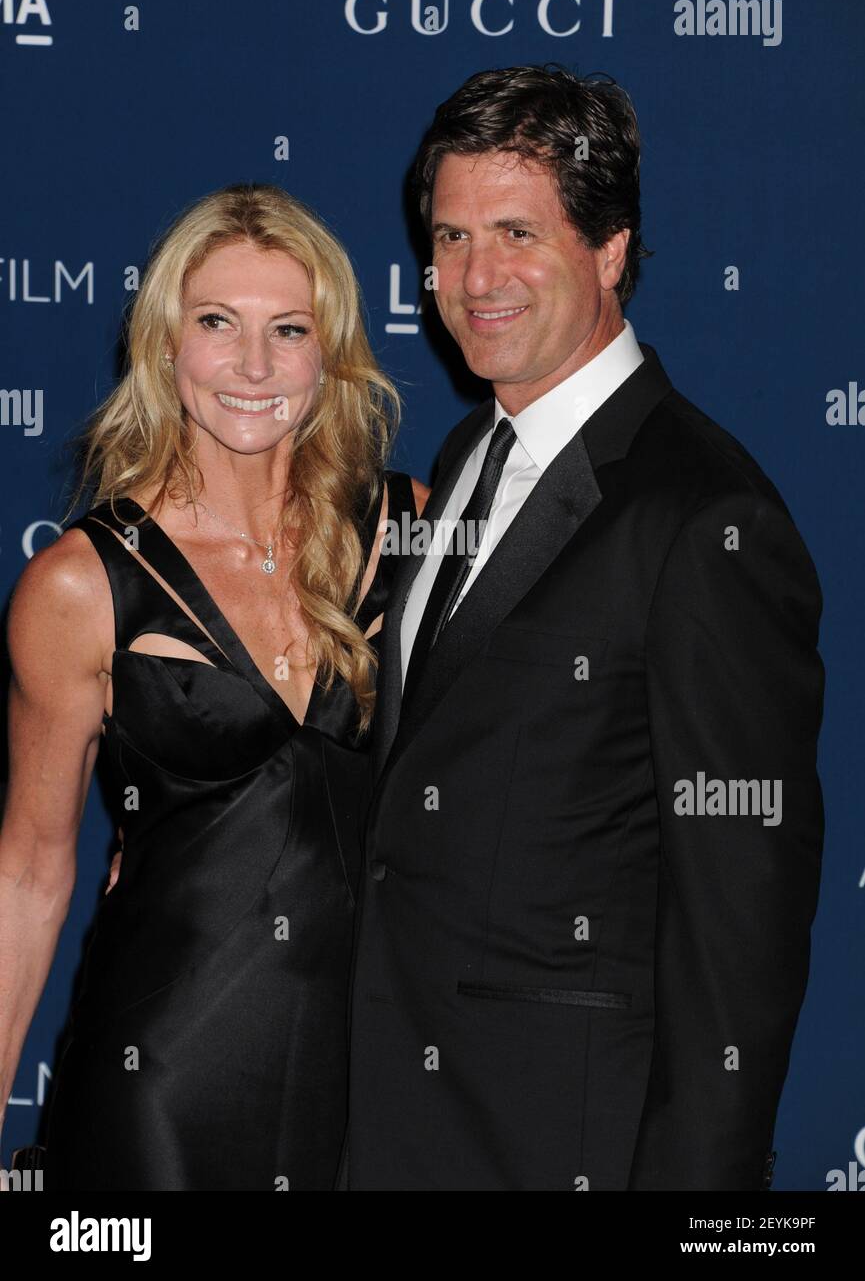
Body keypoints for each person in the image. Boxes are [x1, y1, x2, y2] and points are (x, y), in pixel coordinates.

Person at [340, 65, 825, 1191]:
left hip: (559, 1143)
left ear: (611, 249)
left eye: (517, 231)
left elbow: (737, 927)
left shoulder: (706, 515)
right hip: (394, 1126)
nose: (474, 278)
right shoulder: (466, 457)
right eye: (451, 238)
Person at [0, 182, 426, 1190]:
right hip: (164, 1078)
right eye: (216, 323)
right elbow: (28, 874)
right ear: (164, 344)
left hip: (381, 1079)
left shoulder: (413, 529)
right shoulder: (79, 583)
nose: (252, 365)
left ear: (330, 351)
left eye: (288, 328)